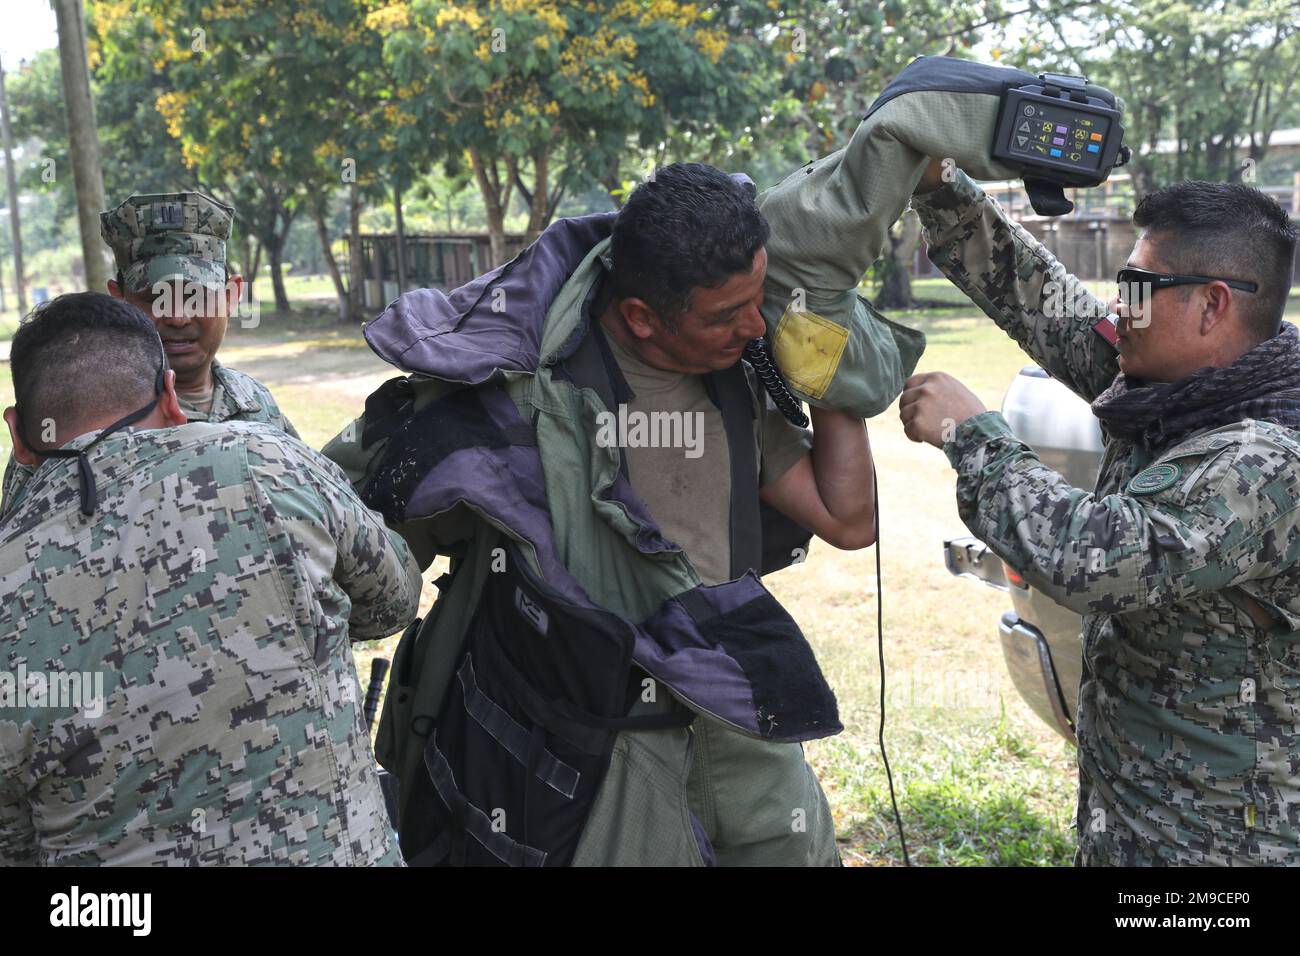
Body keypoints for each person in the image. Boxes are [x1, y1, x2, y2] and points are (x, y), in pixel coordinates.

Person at [326, 163, 877, 867]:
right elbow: (340, 538)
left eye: (759, 297)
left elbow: (848, 518)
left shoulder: (735, 371)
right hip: (596, 740)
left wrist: (829, 372)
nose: (754, 324)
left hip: (733, 706)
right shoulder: (509, 393)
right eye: (724, 314)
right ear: (642, 317)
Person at [901, 160, 1300, 865]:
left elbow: (1096, 557)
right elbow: (1044, 304)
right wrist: (939, 188)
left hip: (1222, 849)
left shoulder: (1266, 462)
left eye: (1137, 289)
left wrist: (974, 434)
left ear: (1212, 305)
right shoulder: (1179, 390)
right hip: (1138, 827)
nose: (1119, 308)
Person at [0, 292, 422, 865]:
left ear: (19, 436)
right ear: (172, 399)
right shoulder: (269, 463)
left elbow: (14, 840)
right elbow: (393, 603)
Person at [0, 191, 297, 517]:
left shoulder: (256, 402)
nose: (178, 317)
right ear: (119, 298)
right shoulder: (83, 416)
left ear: (232, 295)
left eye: (195, 296)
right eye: (156, 297)